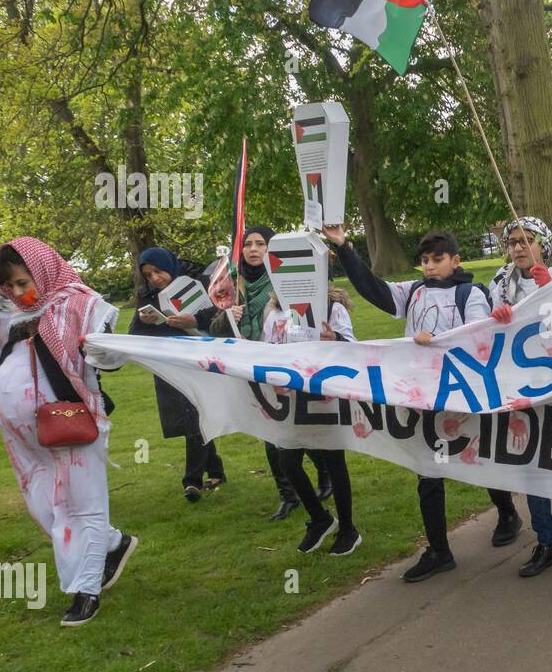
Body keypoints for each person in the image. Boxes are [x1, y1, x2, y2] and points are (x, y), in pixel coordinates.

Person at [0, 238, 138, 627]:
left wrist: (99, 350)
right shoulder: (15, 316)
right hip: (29, 443)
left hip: (71, 423)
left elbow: (113, 359)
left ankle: (86, 591)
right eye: (10, 287)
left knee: (82, 504)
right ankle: (115, 544)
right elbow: (11, 368)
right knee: (47, 506)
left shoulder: (79, 305)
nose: (18, 293)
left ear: (42, 269)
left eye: (22, 282)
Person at [322, 224, 522, 581]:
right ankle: (439, 550)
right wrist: (344, 247)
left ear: (455, 260)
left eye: (437, 259)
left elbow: (479, 341)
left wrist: (438, 341)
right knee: (428, 470)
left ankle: (506, 512)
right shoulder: (413, 291)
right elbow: (375, 290)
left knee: (482, 459)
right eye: (425, 260)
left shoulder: (470, 294)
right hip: (422, 397)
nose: (429, 266)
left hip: (465, 396)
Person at [211, 226, 331, 520]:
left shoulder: (282, 280)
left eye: (260, 244)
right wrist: (228, 317)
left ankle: (325, 470)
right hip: (253, 370)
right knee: (270, 431)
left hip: (288, 367)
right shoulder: (232, 284)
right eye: (248, 244)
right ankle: (288, 495)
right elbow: (212, 329)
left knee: (296, 428)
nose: (253, 249)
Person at [487, 217, 552, 576]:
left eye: (527, 240)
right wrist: (495, 316)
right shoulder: (499, 283)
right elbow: (482, 329)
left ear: (542, 244)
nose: (518, 247)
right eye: (513, 241)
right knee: (534, 463)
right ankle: (547, 542)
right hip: (521, 385)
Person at [260, 286, 362, 556]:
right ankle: (320, 518)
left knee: (333, 460)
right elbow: (270, 352)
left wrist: (335, 338)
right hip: (292, 399)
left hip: (325, 395)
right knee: (288, 461)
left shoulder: (331, 308)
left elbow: (353, 348)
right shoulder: (276, 313)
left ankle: (348, 530)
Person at [132, 246, 226, 502]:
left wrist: (193, 321)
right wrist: (148, 322)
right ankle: (216, 469)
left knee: (196, 415)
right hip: (170, 363)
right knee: (189, 417)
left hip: (200, 359)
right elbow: (134, 335)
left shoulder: (199, 282)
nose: (155, 279)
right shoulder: (147, 295)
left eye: (158, 271)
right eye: (148, 275)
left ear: (169, 265)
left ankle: (192, 480)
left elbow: (219, 314)